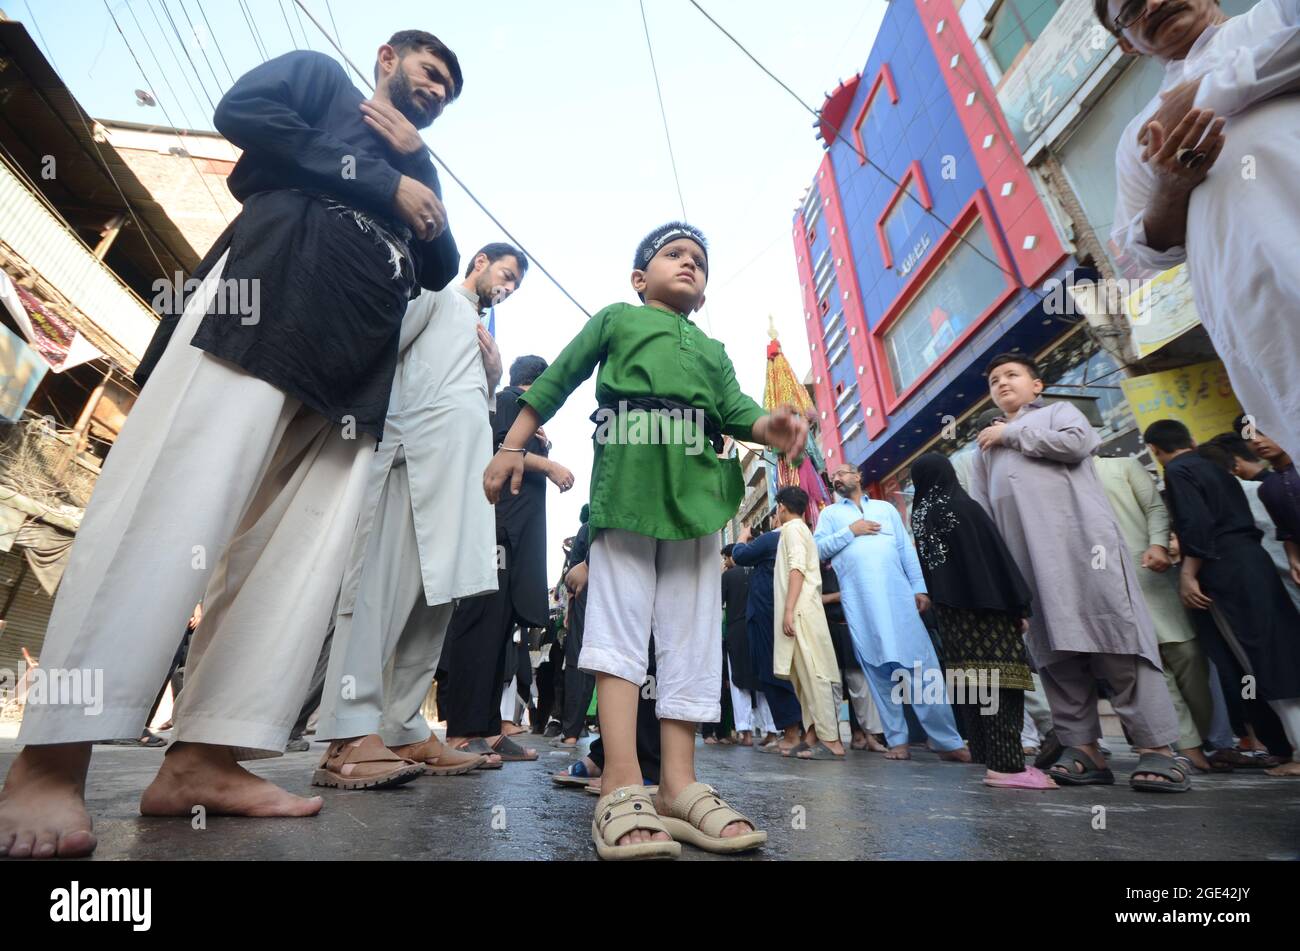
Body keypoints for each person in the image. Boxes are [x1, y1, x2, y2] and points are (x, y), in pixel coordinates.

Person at [1, 31, 463, 858]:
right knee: (171, 511)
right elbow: (243, 112)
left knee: (293, 563)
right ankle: (51, 757)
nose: (434, 90)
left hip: (355, 363)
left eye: (447, 92)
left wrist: (417, 167)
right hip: (264, 299)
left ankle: (205, 759)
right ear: (388, 56)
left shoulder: (418, 162)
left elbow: (439, 262)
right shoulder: (324, 84)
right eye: (429, 72)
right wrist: (383, 176)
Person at [483, 221, 807, 860]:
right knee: (618, 634)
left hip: (696, 496)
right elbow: (558, 380)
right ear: (639, 279)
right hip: (627, 487)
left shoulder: (711, 349)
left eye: (699, 261)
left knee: (693, 637)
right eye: (674, 254)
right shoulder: (615, 320)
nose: (689, 264)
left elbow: (738, 410)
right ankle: (622, 781)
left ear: (705, 291)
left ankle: (679, 785)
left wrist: (770, 424)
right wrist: (511, 446)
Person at [310, 243, 530, 787]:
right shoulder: (434, 294)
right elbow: (385, 351)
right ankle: (347, 732)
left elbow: (472, 403)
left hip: (460, 481)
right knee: (380, 591)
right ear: (478, 262)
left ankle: (404, 726)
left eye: (514, 286)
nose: (506, 288)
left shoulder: (483, 337)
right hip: (410, 462)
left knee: (435, 603)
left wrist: (495, 374)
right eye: (505, 275)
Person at [970, 354, 1187, 792]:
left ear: (1037, 385)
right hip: (1029, 567)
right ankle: (1084, 749)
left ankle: (1158, 750)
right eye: (995, 380)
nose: (1002, 383)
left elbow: (1076, 444)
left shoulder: (1058, 414)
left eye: (1012, 375)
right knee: (1056, 657)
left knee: (1119, 646)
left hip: (1086, 555)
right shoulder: (984, 448)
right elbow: (985, 518)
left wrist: (1010, 432)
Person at [1104, 0, 1300, 461]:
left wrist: (1205, 94)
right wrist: (1170, 186)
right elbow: (1150, 249)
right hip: (1263, 322)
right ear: (1125, 44)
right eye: (1131, 7)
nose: (1152, 4)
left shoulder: (1274, 19)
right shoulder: (1139, 132)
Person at [1145, 419, 1300, 778]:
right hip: (1252, 562)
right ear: (1193, 438)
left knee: (1259, 658)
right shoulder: (1215, 468)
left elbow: (1196, 525)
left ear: (1154, 451)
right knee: (1277, 650)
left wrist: (1187, 574)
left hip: (1226, 569)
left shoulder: (1179, 471)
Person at [439, 355, 574, 763]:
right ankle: (463, 731)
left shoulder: (523, 413)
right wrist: (548, 464)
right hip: (495, 533)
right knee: (479, 626)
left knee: (500, 634)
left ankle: (489, 728)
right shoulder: (510, 404)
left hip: (514, 538)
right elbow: (501, 447)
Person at [909, 452, 1054, 789]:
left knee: (973, 683)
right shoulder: (962, 507)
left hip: (951, 616)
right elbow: (994, 560)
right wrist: (1018, 605)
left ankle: (988, 756)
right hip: (987, 611)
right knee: (1001, 682)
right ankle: (1007, 766)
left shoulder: (921, 514)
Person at [813, 463, 970, 763]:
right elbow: (818, 550)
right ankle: (898, 741)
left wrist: (919, 588)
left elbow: (905, 550)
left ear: (858, 476)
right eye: (833, 476)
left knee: (921, 667)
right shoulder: (830, 515)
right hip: (861, 605)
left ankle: (946, 740)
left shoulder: (885, 509)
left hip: (898, 599)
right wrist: (851, 532)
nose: (836, 478)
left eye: (843, 473)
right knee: (877, 672)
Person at [1094, 454, 1217, 772]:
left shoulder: (1122, 466)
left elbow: (1154, 509)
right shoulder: (1054, 480)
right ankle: (1188, 744)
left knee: (1188, 654)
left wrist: (1159, 544)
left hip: (1151, 574)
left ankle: (1203, 738)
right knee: (1151, 667)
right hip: (1102, 586)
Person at [773, 487, 845, 760]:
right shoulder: (801, 529)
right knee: (804, 676)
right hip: (804, 610)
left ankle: (831, 739)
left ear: (782, 507)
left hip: (801, 611)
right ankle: (814, 734)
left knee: (814, 675)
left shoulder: (792, 529)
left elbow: (797, 569)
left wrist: (789, 610)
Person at [733, 525, 805, 754]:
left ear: (782, 509)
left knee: (774, 672)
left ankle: (792, 733)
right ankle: (793, 732)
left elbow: (740, 555)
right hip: (785, 615)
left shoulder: (773, 539)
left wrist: (742, 537)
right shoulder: (803, 539)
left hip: (768, 617)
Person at [821, 561, 886, 751]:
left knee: (859, 683)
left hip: (851, 627)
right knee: (831, 684)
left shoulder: (849, 561)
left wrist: (828, 598)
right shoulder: (815, 562)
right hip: (827, 629)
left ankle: (871, 735)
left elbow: (857, 591)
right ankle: (833, 738)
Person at [557, 505, 595, 749]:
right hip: (617, 597)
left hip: (585, 599)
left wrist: (569, 613)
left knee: (578, 664)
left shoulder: (585, 530)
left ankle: (571, 732)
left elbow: (571, 579)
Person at [720, 545, 759, 747]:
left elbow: (718, 603)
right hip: (758, 628)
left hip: (736, 630)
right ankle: (771, 730)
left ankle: (745, 731)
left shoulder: (728, 576)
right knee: (761, 680)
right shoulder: (757, 571)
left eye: (726, 558)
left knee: (737, 680)